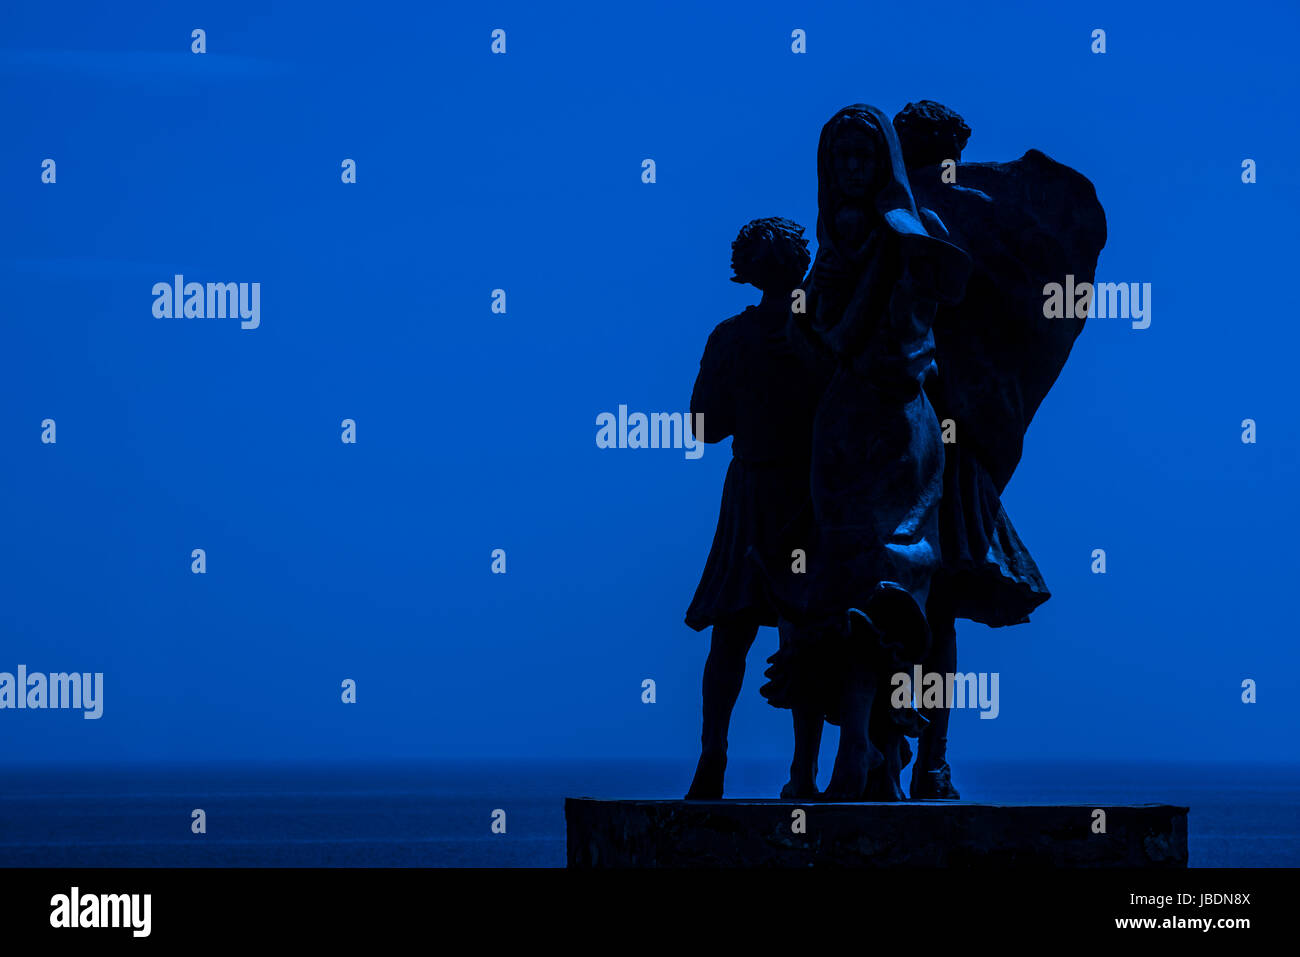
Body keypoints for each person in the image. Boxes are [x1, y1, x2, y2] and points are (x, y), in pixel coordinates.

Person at [753, 104, 971, 800]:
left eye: (863, 155)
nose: (852, 167)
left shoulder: (911, 233)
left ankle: (893, 751)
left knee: (904, 580)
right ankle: (862, 750)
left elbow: (913, 339)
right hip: (840, 431)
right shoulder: (835, 243)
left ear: (884, 162)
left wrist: (857, 314)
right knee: (838, 583)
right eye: (840, 156)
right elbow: (819, 336)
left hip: (898, 429)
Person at [684, 217, 827, 800]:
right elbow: (707, 424)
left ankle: (790, 769)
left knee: (783, 631)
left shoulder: (819, 331)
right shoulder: (739, 337)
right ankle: (772, 766)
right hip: (766, 491)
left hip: (802, 494)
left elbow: (703, 426)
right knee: (770, 631)